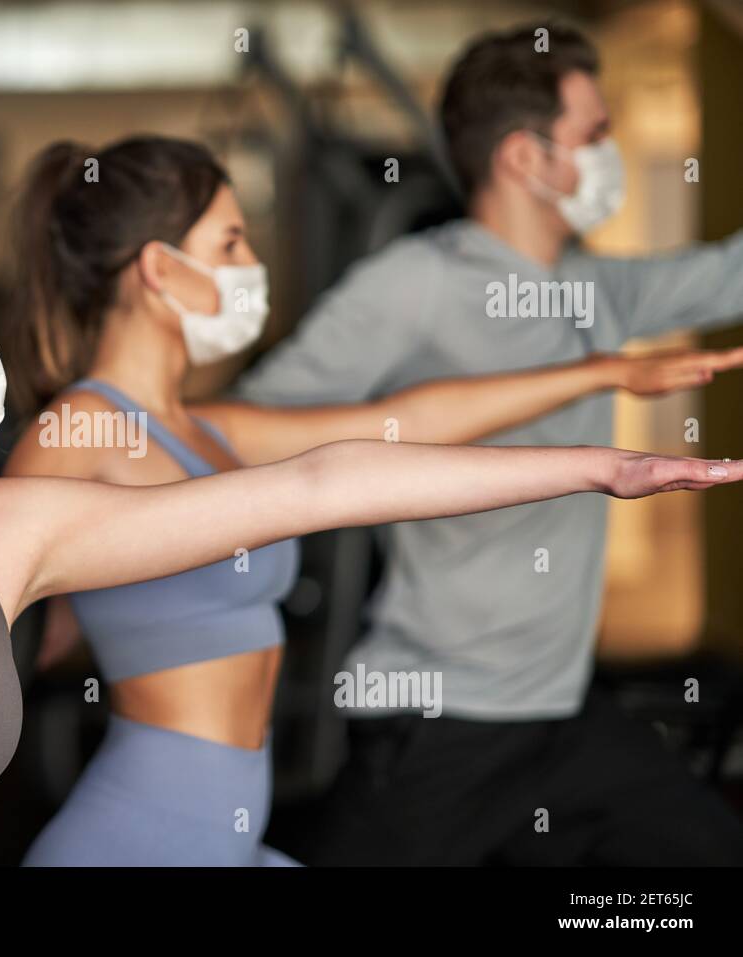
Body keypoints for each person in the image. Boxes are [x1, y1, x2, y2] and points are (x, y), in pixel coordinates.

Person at [0, 136, 743, 866]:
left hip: (229, 834)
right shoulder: (75, 432)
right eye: (230, 245)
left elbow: (405, 423)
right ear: (160, 268)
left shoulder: (211, 430)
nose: (253, 265)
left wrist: (599, 373)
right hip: (143, 835)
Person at [233, 23, 743, 864]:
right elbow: (247, 428)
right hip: (439, 720)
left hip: (560, 712)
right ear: (524, 157)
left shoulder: (596, 291)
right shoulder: (417, 283)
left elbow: (729, 272)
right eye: (595, 133)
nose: (609, 151)